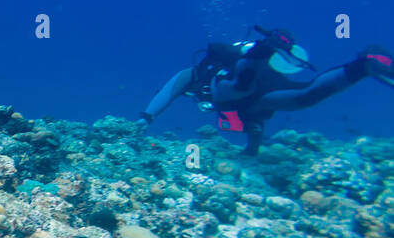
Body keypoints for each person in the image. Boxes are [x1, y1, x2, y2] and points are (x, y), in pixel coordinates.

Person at [141, 26, 394, 154]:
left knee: (238, 88)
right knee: (304, 96)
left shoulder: (195, 74)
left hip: (240, 88)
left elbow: (168, 90)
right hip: (260, 96)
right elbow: (255, 126)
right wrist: (252, 149)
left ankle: (262, 50)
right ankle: (363, 66)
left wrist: (146, 117)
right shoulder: (249, 111)